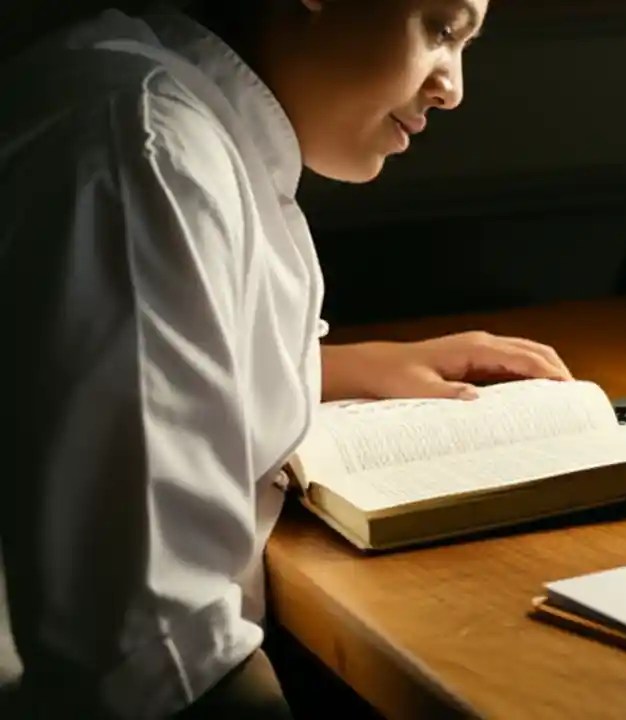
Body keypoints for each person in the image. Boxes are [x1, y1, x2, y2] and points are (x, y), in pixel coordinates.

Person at [0, 0, 574, 716]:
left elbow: (90, 369)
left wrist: (346, 366)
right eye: (440, 27)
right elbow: (153, 657)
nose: (452, 88)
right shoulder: (149, 150)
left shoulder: (158, 108)